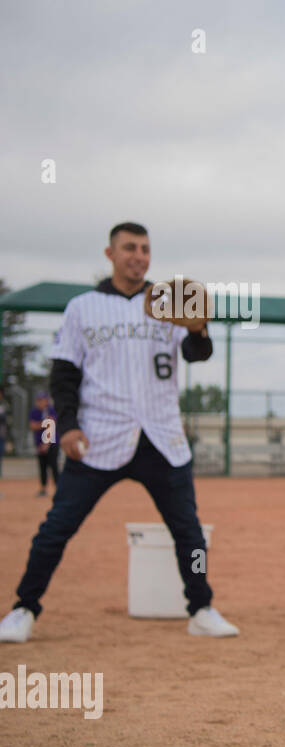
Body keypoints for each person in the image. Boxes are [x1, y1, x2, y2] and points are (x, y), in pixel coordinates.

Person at [0, 222, 239, 643]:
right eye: (130, 248)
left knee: (189, 534)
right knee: (56, 528)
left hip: (162, 438)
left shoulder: (166, 302)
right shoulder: (82, 307)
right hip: (99, 438)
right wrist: (68, 427)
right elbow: (64, 375)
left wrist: (201, 329)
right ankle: (24, 608)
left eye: (145, 249)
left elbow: (196, 354)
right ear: (110, 254)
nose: (139, 256)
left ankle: (201, 608)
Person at [29, 391, 60, 496]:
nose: (40, 402)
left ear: (47, 400)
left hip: (51, 444)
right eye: (38, 400)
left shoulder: (51, 410)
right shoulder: (34, 411)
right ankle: (43, 488)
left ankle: (59, 489)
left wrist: (46, 444)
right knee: (42, 467)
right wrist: (44, 423)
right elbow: (32, 426)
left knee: (54, 466)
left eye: (42, 400)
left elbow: (51, 425)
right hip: (39, 444)